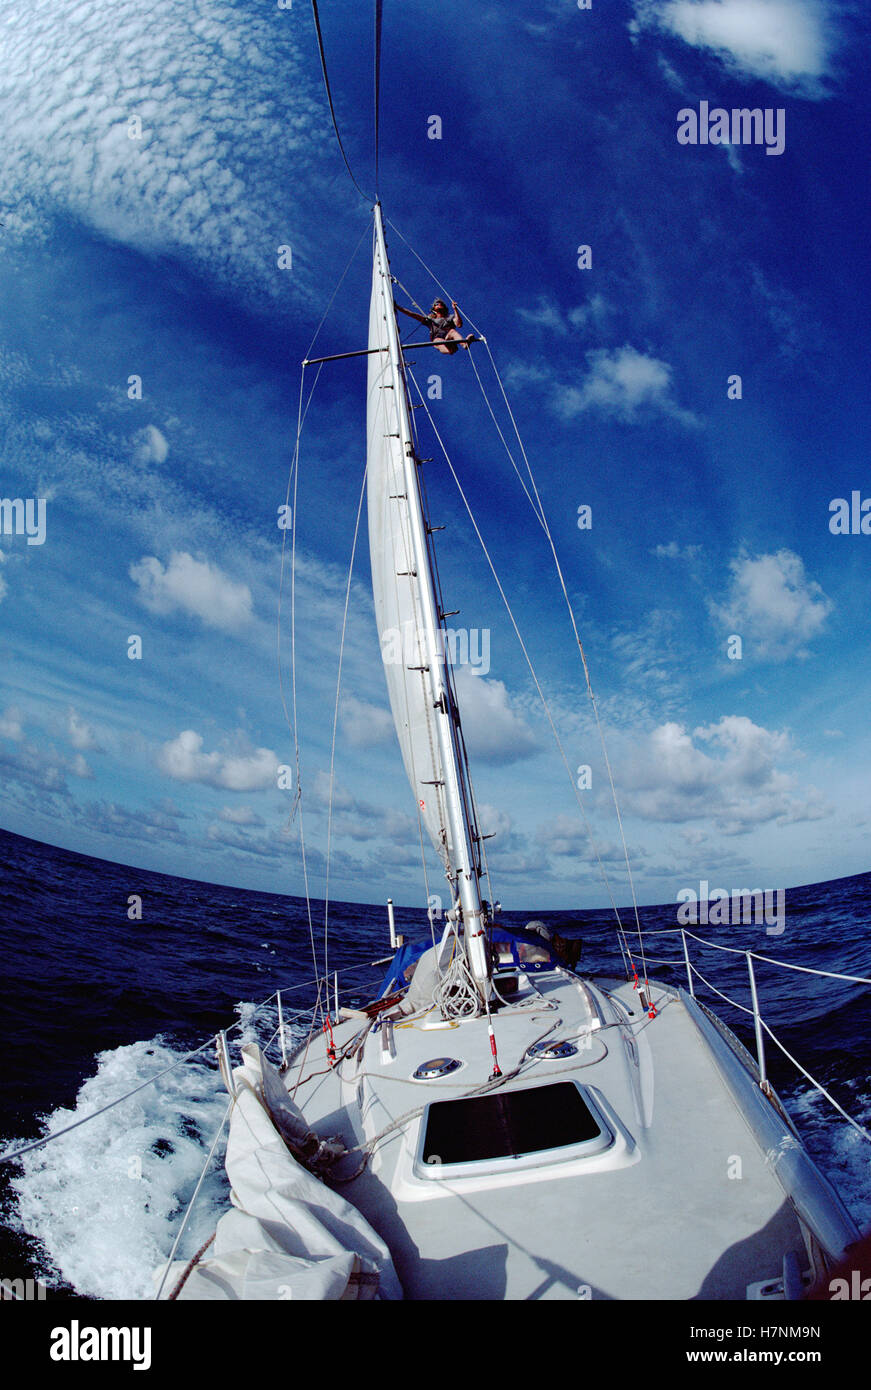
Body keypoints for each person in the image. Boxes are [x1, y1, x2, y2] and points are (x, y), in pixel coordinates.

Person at [395, 298, 474, 354]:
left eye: (441, 304)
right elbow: (412, 314)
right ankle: (449, 350)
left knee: (452, 331)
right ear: (434, 309)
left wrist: (455, 309)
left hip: (449, 338)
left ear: (444, 307)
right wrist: (397, 307)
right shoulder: (430, 320)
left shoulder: (449, 317)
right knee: (437, 340)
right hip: (439, 340)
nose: (439, 305)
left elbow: (458, 324)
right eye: (437, 304)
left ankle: (464, 344)